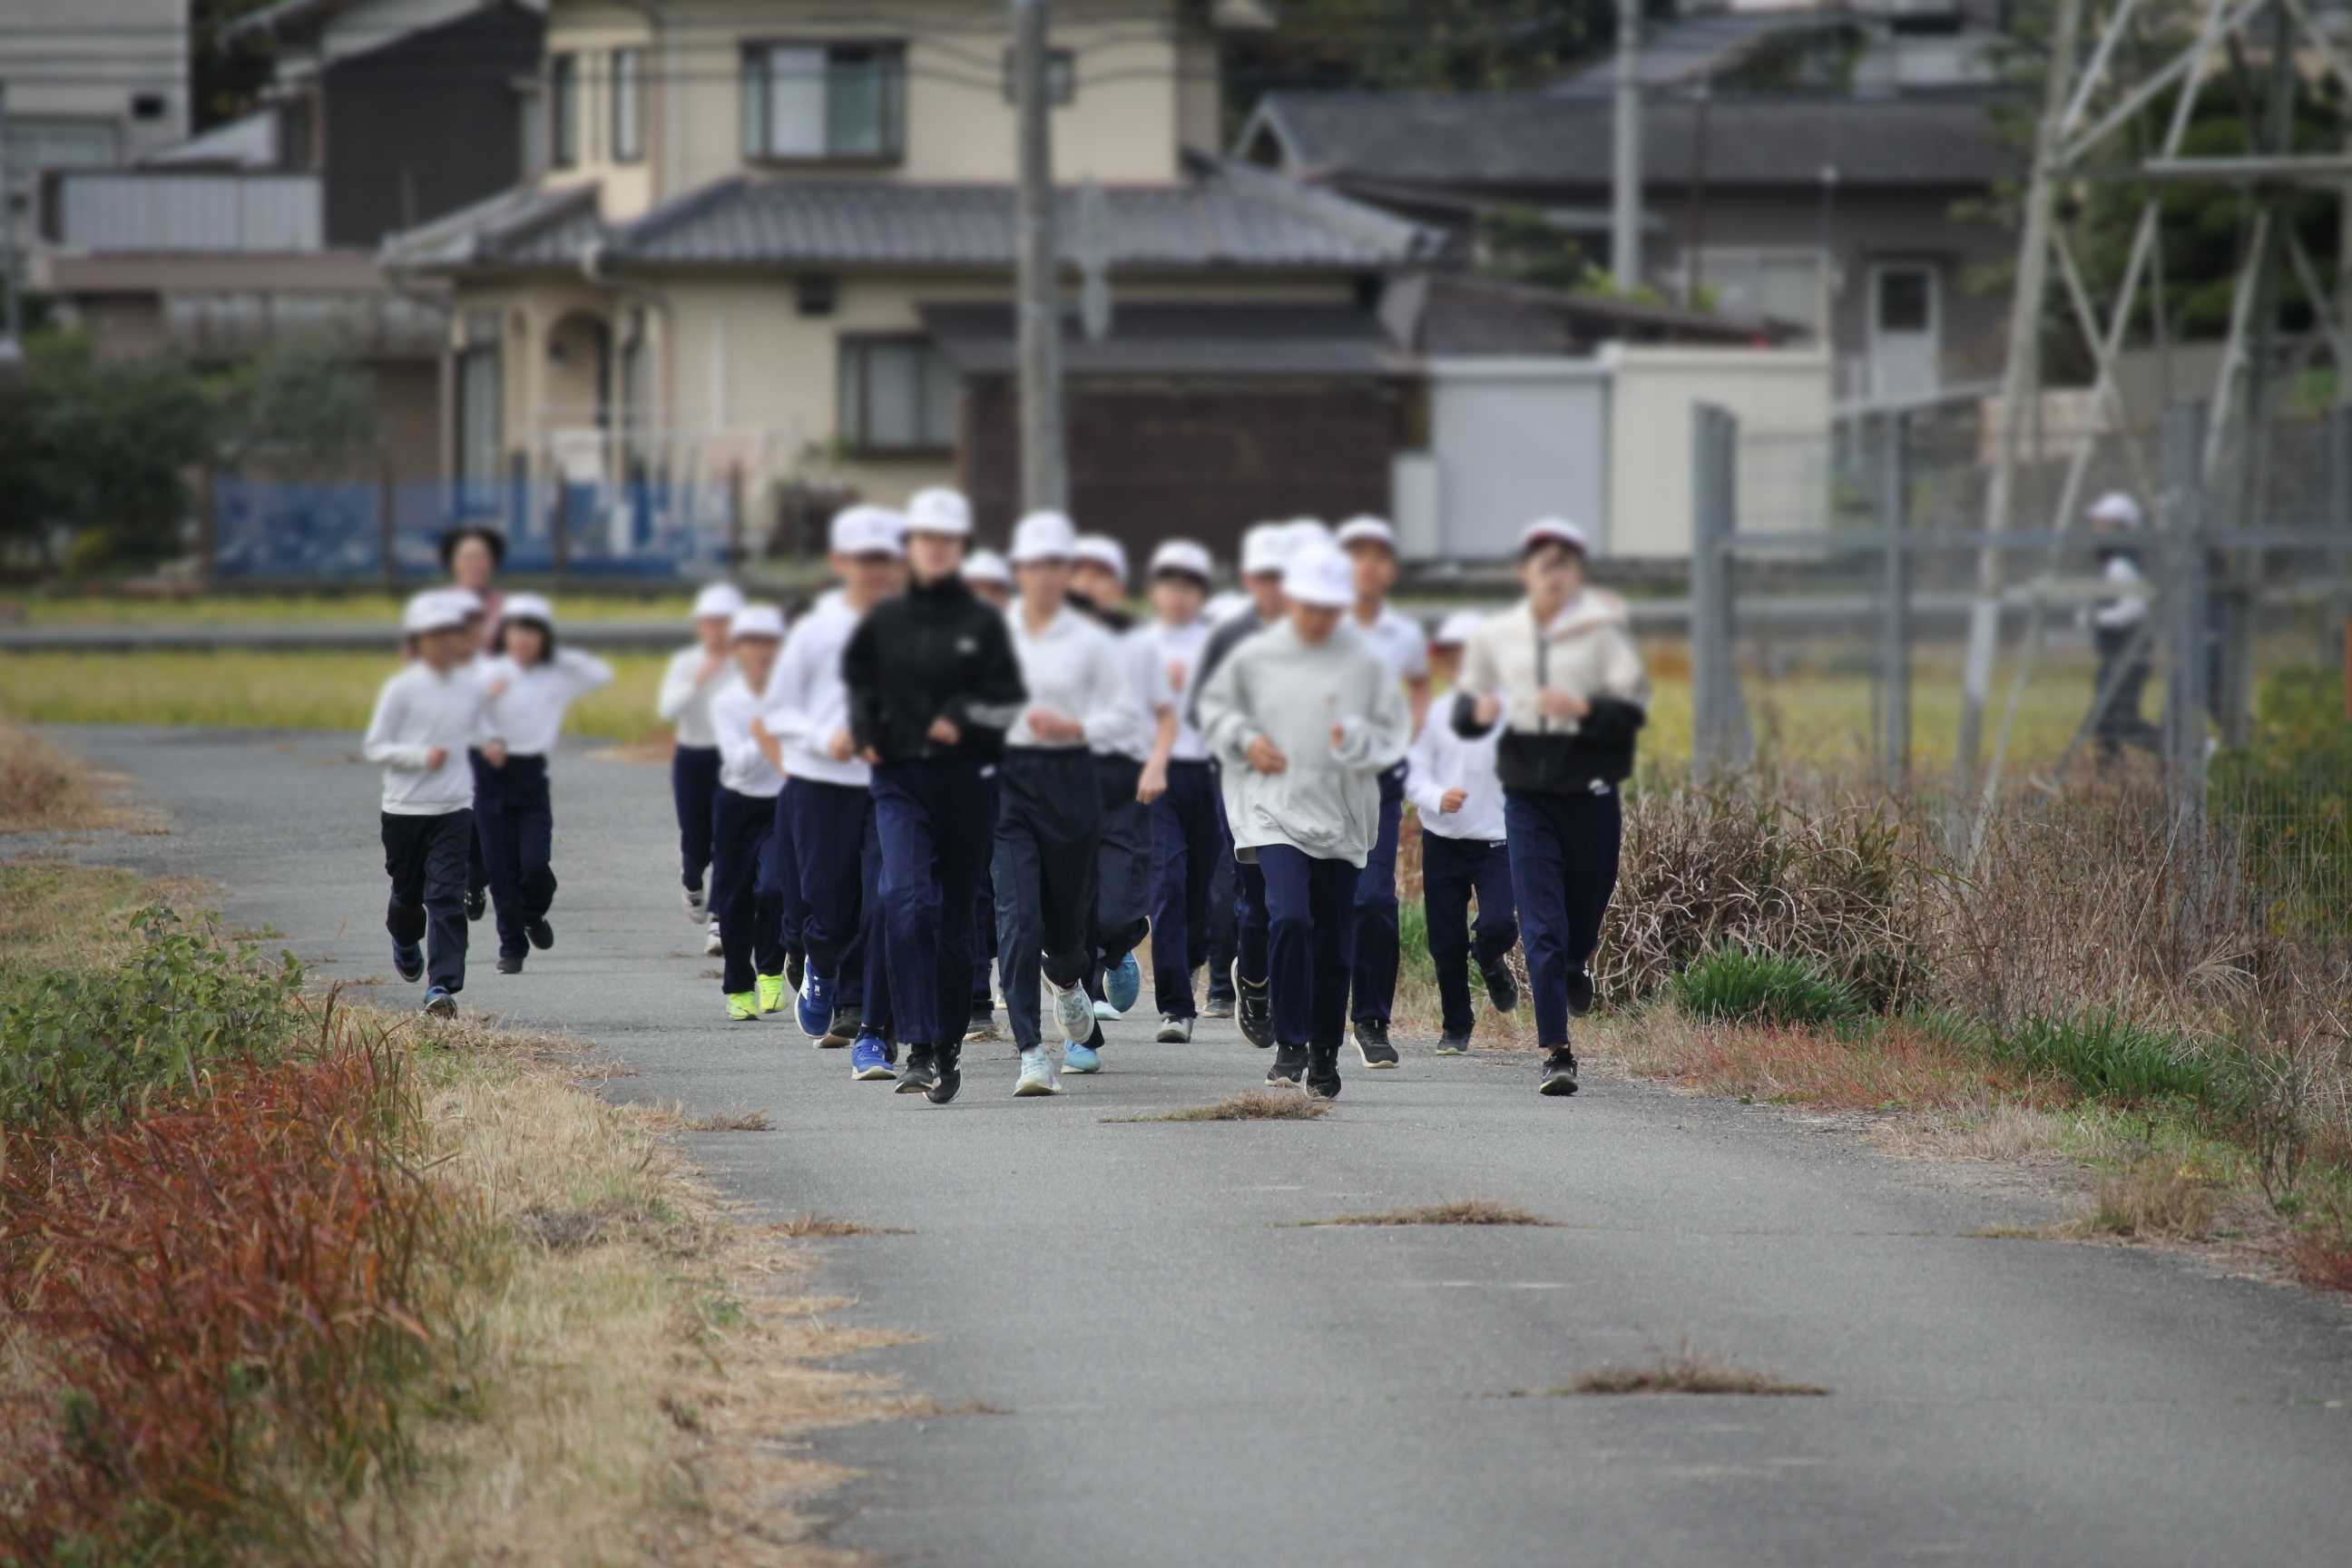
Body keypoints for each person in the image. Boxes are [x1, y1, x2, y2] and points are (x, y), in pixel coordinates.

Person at [1199, 544, 1411, 1100]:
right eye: (1309, 604)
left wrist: (1358, 740)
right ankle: (1290, 1043)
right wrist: (1248, 741)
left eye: (1328, 606)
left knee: (1334, 939)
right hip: (1273, 812)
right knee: (1289, 916)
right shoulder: (1255, 657)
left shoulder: (1364, 663)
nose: (1318, 616)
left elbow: (1391, 735)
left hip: (1340, 815)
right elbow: (1216, 715)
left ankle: (1323, 1051)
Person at [845, 486, 1026, 1104]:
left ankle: (946, 1042)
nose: (936, 551)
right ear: (911, 549)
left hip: (965, 784)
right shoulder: (885, 621)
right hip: (899, 781)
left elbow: (1004, 699)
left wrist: (960, 716)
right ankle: (917, 1044)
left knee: (953, 922)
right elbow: (861, 688)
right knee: (903, 897)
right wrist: (867, 734)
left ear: (960, 549)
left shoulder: (983, 622)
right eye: (925, 540)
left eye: (947, 542)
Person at [1455, 519, 1650, 1098]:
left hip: (1590, 794)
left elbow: (1630, 713)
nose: (1555, 575)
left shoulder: (1604, 637)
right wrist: (1481, 713)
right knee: (1540, 924)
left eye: (1566, 564)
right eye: (1544, 564)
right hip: (1528, 797)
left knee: (1581, 917)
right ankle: (1556, 1052)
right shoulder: (1496, 637)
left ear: (1577, 574)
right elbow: (1465, 712)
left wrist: (1584, 708)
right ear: (1526, 573)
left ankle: (1575, 964)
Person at [993, 511, 1140, 1089]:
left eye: (1055, 566)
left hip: (1075, 785)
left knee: (1066, 929)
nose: (1044, 576)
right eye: (1033, 566)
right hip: (1008, 787)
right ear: (1019, 571)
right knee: (1017, 918)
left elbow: (1125, 718)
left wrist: (1073, 727)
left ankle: (1072, 980)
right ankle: (1031, 1050)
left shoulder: (1092, 640)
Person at [765, 505, 905, 1077]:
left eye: (884, 559)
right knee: (832, 913)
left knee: (885, 904)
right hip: (823, 786)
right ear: (840, 562)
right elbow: (777, 710)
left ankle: (873, 1034)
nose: (874, 570)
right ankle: (820, 964)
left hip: (891, 787)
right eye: (863, 559)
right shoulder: (814, 631)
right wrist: (829, 737)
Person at [1186, 521, 1298, 1048]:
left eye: (1283, 577)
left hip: (1305, 790)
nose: (1274, 588)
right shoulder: (1228, 637)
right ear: (1250, 580)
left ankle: (1291, 1006)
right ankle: (1252, 981)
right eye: (1264, 577)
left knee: (1294, 904)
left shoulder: (1314, 631)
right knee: (1254, 898)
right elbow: (1202, 713)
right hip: (1244, 788)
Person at [365, 590, 501, 1017]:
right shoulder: (401, 690)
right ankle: (405, 940)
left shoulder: (471, 688)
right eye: (434, 635)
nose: (444, 643)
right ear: (418, 642)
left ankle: (441, 986)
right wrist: (420, 757)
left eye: (451, 635)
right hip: (404, 808)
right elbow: (376, 746)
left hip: (454, 808)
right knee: (408, 895)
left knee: (446, 895)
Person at [1333, 515, 1430, 1071]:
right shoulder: (1320, 628)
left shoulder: (1403, 634)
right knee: (1323, 903)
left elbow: (1419, 688)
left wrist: (1409, 738)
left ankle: (1370, 1020)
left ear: (1389, 569)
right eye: (1356, 555)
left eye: (1377, 556)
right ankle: (1308, 1018)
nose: (1367, 566)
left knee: (1374, 899)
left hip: (1380, 778)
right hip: (1321, 782)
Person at [473, 594, 613, 974]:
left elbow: (601, 673)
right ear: (506, 633)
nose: (524, 640)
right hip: (490, 775)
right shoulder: (489, 671)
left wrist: (558, 656)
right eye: (518, 631)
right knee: (499, 869)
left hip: (531, 776)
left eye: (533, 632)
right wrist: (487, 734)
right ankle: (511, 947)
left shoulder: (555, 674)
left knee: (534, 865)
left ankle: (532, 913)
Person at [1069, 532, 1168, 1052]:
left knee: (1112, 913)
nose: (1090, 584)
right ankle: (1080, 1032)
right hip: (1065, 788)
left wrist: (1156, 762)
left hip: (1125, 787)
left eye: (1100, 574)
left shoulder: (1139, 644)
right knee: (1074, 908)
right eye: (1080, 573)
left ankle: (1121, 945)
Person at [1406, 610, 1519, 1056]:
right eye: (1453, 657)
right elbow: (1414, 773)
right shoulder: (1436, 714)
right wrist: (1435, 797)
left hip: (1498, 840)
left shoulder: (1514, 712)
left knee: (1497, 923)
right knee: (1444, 942)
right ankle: (1456, 1025)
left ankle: (1489, 958)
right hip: (1442, 840)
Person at [1141, 538, 1223, 1038]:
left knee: (1205, 887)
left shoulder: (1219, 643)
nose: (1178, 595)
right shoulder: (1138, 644)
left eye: (1189, 586)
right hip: (1159, 775)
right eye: (1169, 584)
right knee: (1167, 882)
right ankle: (1176, 1006)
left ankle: (1194, 957)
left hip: (1213, 773)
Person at [710, 603, 793, 1022]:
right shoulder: (727, 701)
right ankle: (737, 984)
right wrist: (764, 735)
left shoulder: (792, 695)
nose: (761, 652)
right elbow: (738, 763)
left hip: (781, 805)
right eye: (751, 642)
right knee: (735, 897)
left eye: (769, 643)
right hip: (737, 806)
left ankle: (771, 970)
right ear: (738, 649)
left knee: (775, 887)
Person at [659, 582, 744, 957]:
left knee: (727, 840)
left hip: (732, 760)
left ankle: (719, 922)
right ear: (701, 626)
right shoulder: (686, 662)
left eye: (727, 622)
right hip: (693, 758)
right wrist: (700, 678)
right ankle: (692, 879)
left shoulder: (747, 662)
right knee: (697, 841)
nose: (719, 630)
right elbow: (668, 711)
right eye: (712, 622)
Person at [960, 544, 1014, 1041]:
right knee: (976, 887)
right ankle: (977, 998)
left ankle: (1012, 973)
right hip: (965, 786)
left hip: (1022, 787)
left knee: (1010, 894)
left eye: (994, 590)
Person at [2082, 491, 2161, 760]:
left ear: (2121, 527)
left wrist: (2097, 618)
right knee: (2106, 723)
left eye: (2104, 524)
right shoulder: (2117, 564)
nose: (2097, 530)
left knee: (2120, 723)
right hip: (2118, 655)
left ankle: (2192, 751)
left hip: (2128, 654)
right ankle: (2112, 780)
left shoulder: (2121, 564)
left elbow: (2134, 608)